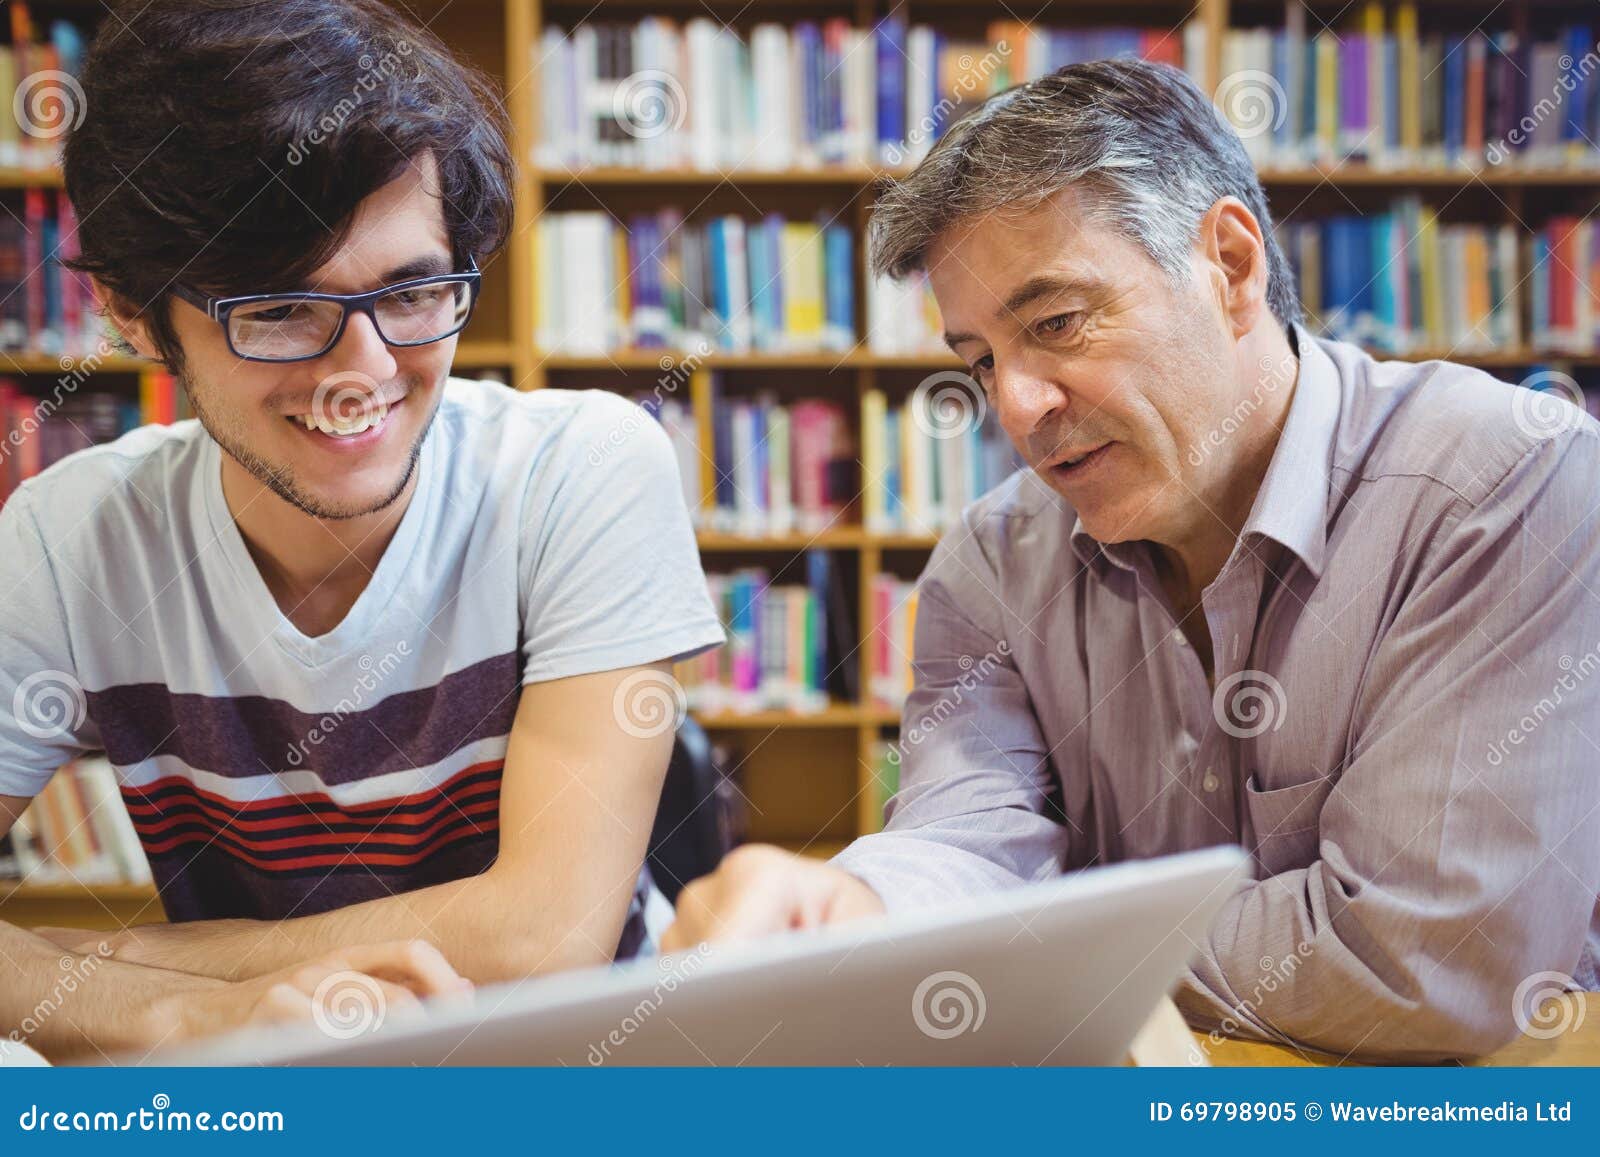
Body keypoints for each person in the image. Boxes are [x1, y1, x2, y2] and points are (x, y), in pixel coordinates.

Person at [665, 58, 1600, 1061]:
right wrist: (858, 901)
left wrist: (1016, 930)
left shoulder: (1508, 483)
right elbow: (967, 838)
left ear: (1231, 266)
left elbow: (1425, 963)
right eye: (981, 358)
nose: (1014, 409)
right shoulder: (990, 561)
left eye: (1057, 323)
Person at [0, 0, 722, 1060]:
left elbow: (540, 942)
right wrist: (183, 1014)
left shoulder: (580, 467)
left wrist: (93, 968)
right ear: (132, 310)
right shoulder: (73, 539)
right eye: (282, 310)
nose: (365, 373)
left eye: (412, 290)